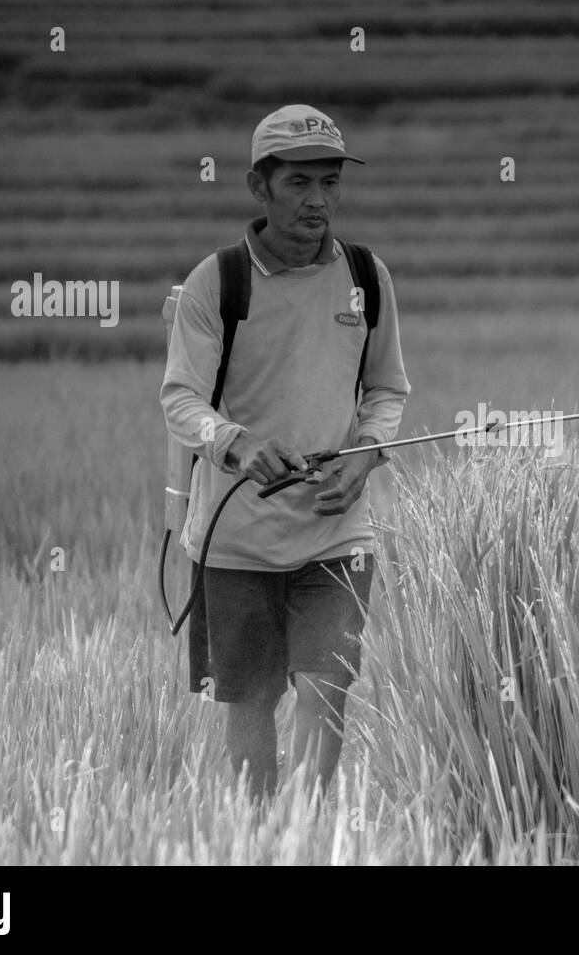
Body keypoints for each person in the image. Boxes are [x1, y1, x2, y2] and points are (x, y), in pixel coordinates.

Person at [160, 104, 410, 804]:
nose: (318, 200)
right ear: (258, 187)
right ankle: (257, 834)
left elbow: (387, 389)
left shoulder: (366, 275)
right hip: (234, 539)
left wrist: (368, 452)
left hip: (338, 530)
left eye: (330, 182)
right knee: (250, 699)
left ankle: (303, 834)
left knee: (328, 683)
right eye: (299, 183)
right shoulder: (217, 283)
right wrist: (235, 444)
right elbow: (181, 401)